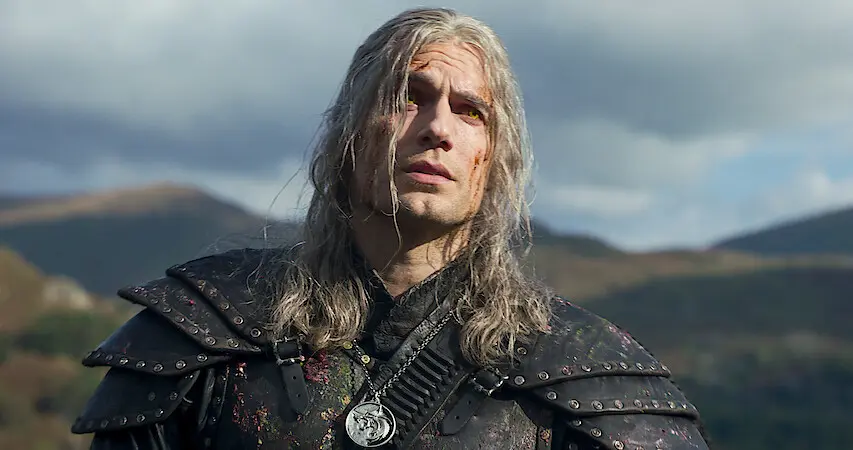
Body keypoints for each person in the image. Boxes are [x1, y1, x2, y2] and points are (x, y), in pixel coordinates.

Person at [71, 7, 711, 450]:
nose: (438, 128)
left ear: (495, 159)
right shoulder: (202, 332)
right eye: (409, 96)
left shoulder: (586, 374)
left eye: (471, 111)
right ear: (349, 132)